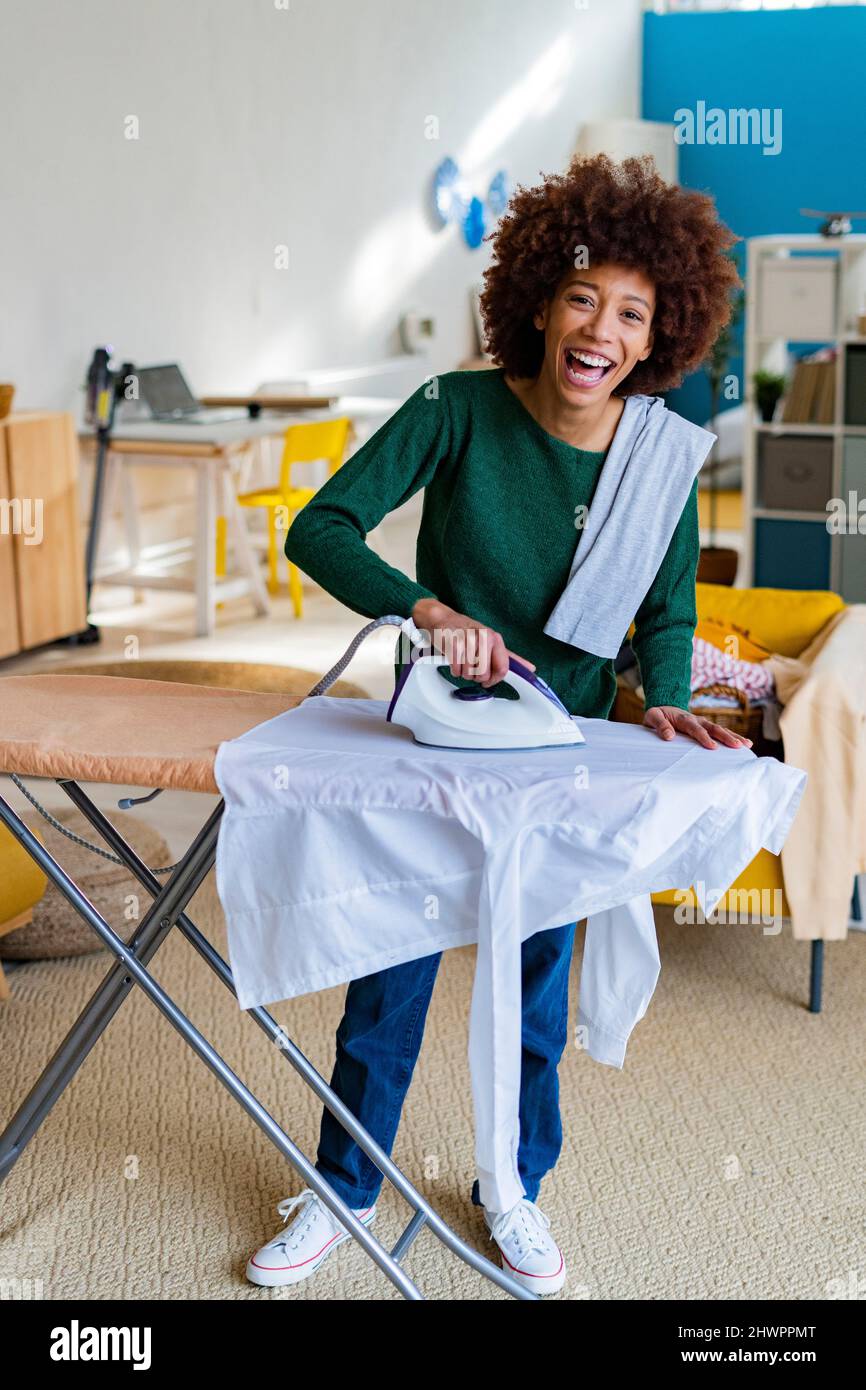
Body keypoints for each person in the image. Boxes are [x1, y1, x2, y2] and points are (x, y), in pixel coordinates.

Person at [245, 152, 750, 1296]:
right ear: (535, 299)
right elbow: (320, 528)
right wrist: (421, 606)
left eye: (632, 312)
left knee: (533, 983)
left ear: (656, 333)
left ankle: (512, 1187)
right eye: (583, 297)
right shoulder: (453, 409)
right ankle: (346, 1182)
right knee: (392, 968)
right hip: (438, 735)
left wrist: (660, 693)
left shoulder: (655, 459)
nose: (601, 330)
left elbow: (665, 610)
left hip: (559, 753)